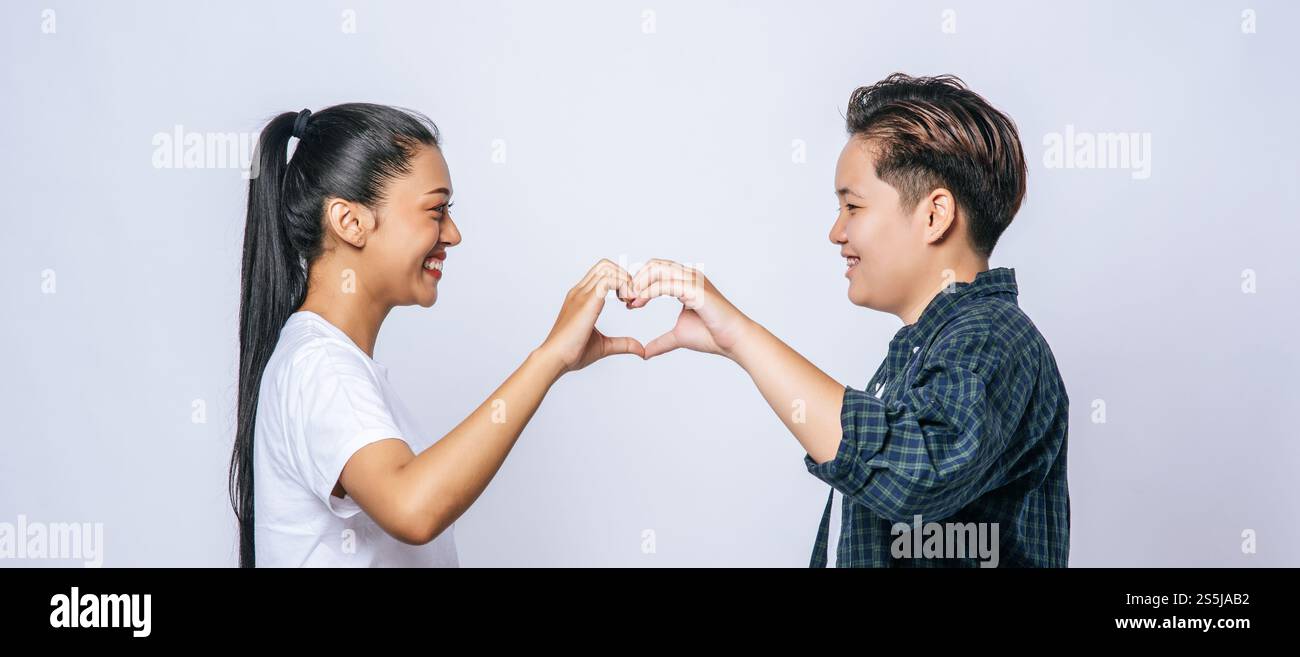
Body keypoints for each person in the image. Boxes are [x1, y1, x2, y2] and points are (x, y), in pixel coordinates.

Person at [624, 74, 1070, 567]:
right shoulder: (925, 351)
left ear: (934, 215)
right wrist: (735, 344)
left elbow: (913, 475)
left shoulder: (993, 337)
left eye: (853, 206)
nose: (836, 232)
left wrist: (741, 336)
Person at [230, 103, 643, 567]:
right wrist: (550, 358)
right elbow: (412, 508)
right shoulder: (320, 367)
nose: (454, 234)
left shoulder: (329, 364)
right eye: (436, 210)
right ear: (350, 222)